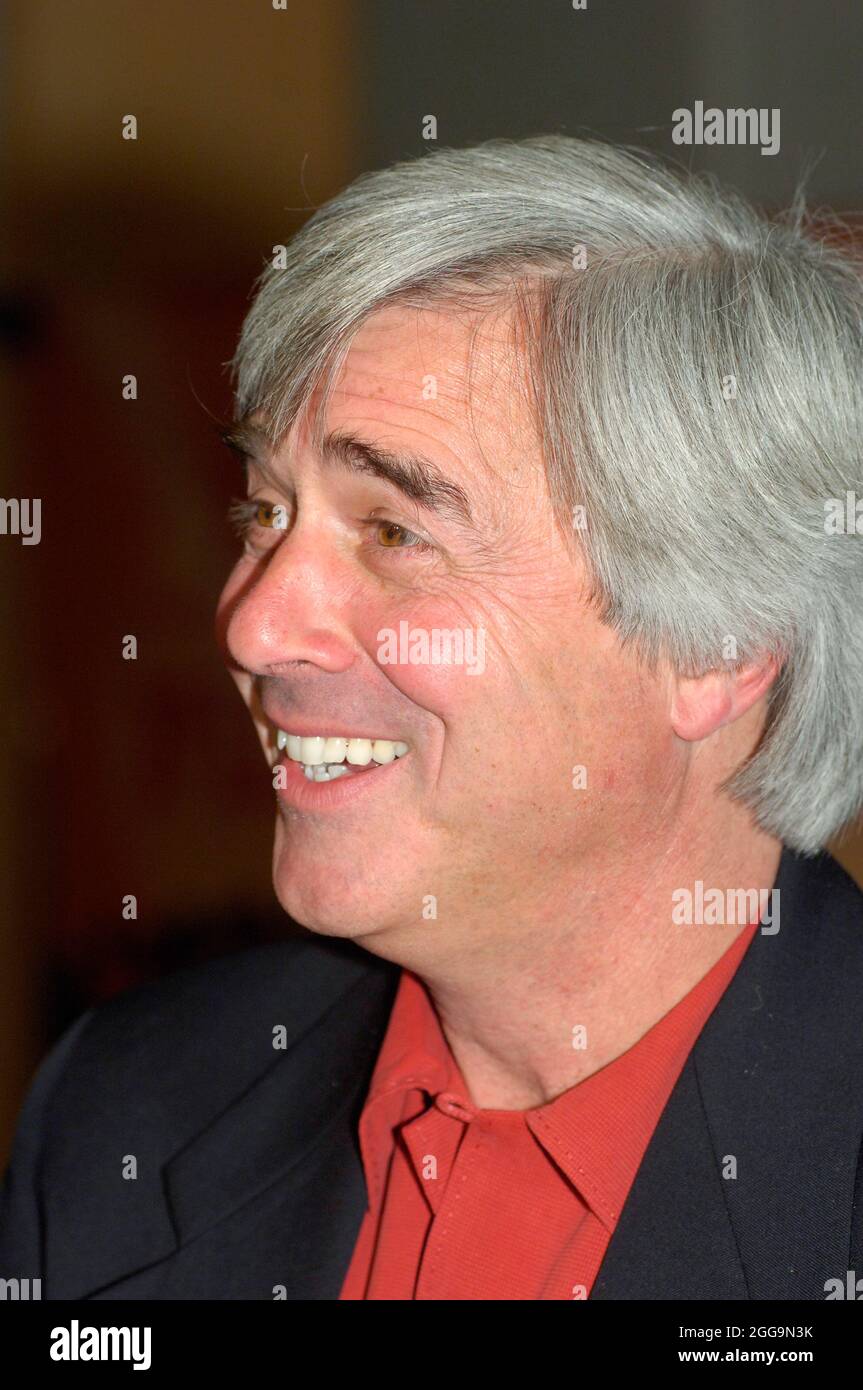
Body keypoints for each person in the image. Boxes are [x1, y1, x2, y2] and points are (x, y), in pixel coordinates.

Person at [2, 135, 863, 1300]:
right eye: (263, 511)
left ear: (714, 643)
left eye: (393, 532)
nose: (253, 627)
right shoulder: (130, 1109)